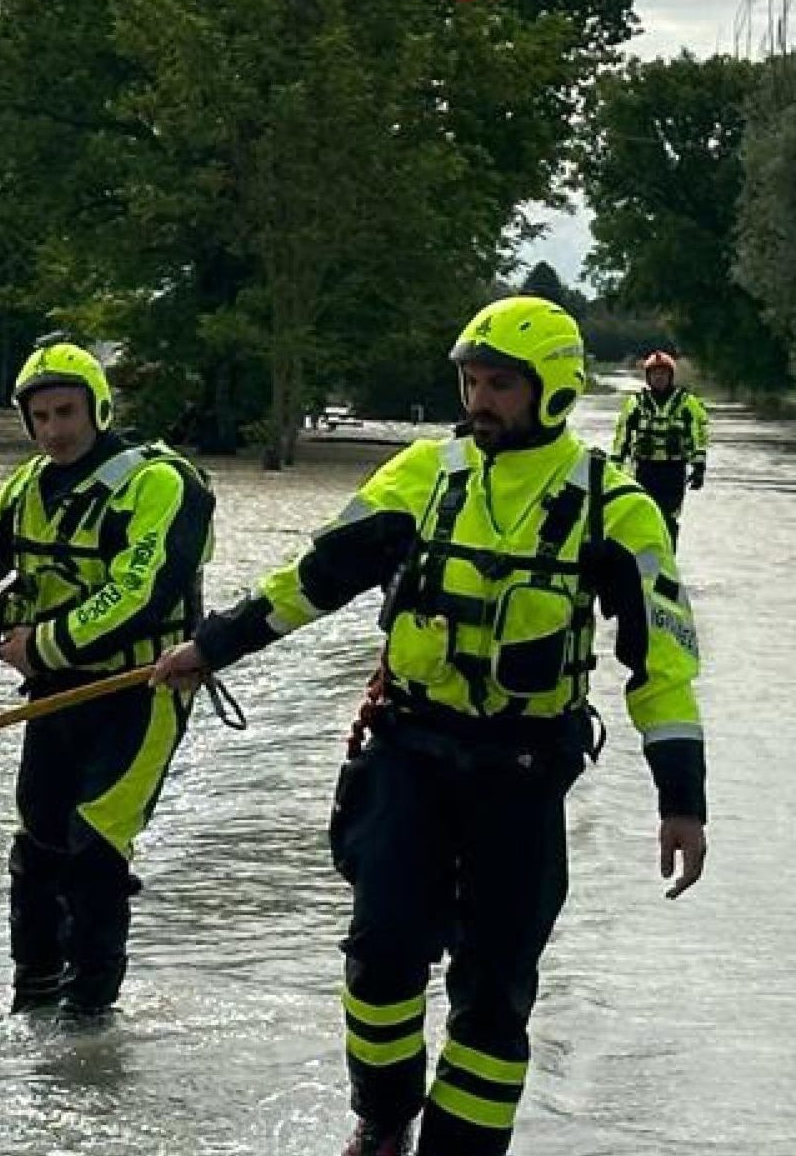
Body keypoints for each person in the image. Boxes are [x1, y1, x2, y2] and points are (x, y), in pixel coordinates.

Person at [149, 296, 707, 1156]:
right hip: (409, 752)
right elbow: (315, 578)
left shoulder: (617, 510)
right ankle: (382, 1118)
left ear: (552, 392)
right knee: (381, 952)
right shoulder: (421, 475)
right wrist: (213, 647)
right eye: (471, 382)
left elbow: (663, 668)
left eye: (499, 387)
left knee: (494, 990)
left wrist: (683, 800)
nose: (479, 401)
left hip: (522, 777)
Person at [0, 340, 216, 1020]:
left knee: (95, 844)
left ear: (98, 409)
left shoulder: (163, 484)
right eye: (40, 417)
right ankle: (31, 1000)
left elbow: (140, 591)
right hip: (56, 694)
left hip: (139, 692)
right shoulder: (27, 487)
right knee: (37, 846)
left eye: (66, 413)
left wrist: (44, 645)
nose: (54, 430)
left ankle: (89, 1015)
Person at [611, 350, 709, 543]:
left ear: (670, 376)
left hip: (674, 470)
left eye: (663, 373)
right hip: (644, 469)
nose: (659, 377)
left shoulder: (687, 402)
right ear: (648, 377)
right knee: (642, 515)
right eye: (654, 373)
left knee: (669, 518)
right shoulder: (635, 403)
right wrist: (615, 468)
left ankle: (668, 558)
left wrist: (699, 467)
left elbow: (699, 433)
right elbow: (622, 437)